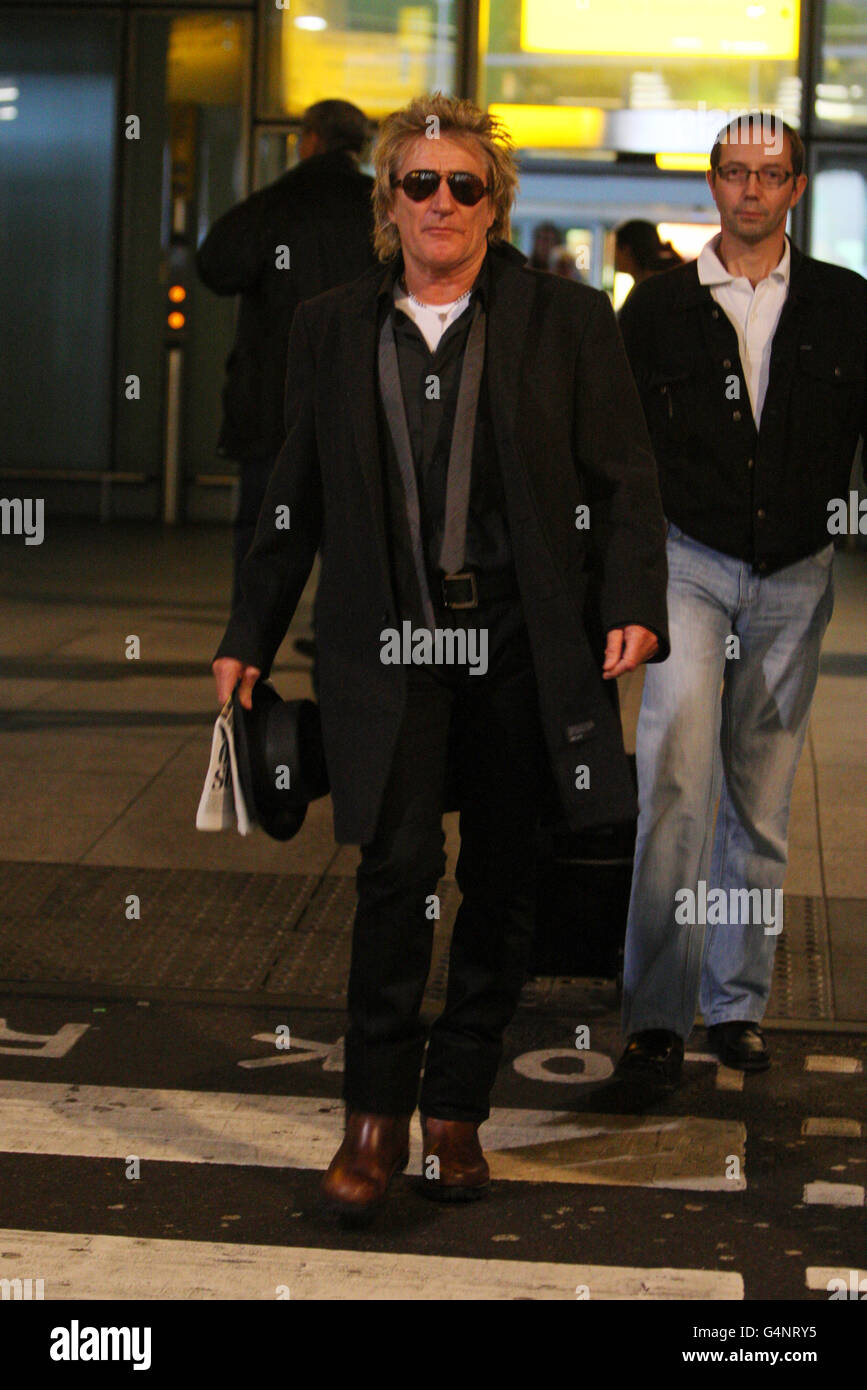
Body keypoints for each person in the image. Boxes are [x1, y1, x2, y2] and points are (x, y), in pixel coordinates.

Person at [212, 92, 669, 1219]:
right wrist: (246, 636)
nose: (442, 203)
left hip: (522, 642)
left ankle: (456, 1108)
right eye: (421, 182)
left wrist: (633, 602)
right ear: (390, 199)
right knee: (395, 875)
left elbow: (626, 479)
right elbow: (290, 499)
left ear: (494, 205)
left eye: (466, 185)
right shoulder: (331, 326)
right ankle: (373, 1117)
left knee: (507, 878)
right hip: (391, 646)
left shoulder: (565, 322)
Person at [614, 113, 867, 1094]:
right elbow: (623, 453)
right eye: (733, 172)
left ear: (797, 188)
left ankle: (736, 1005)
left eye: (771, 174)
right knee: (676, 777)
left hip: (797, 571)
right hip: (687, 560)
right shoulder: (658, 309)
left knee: (760, 796)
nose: (750, 189)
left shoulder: (846, 306)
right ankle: (654, 1017)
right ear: (712, 184)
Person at [196, 99, 377, 606]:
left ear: (310, 139)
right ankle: (339, 647)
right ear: (358, 146)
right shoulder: (378, 208)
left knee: (263, 535)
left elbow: (215, 265)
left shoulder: (278, 202)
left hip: (274, 404)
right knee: (352, 543)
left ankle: (251, 655)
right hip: (357, 405)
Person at [614, 220, 683, 307]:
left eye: (617, 249)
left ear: (627, 250)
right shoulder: (653, 286)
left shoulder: (647, 291)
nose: (615, 256)